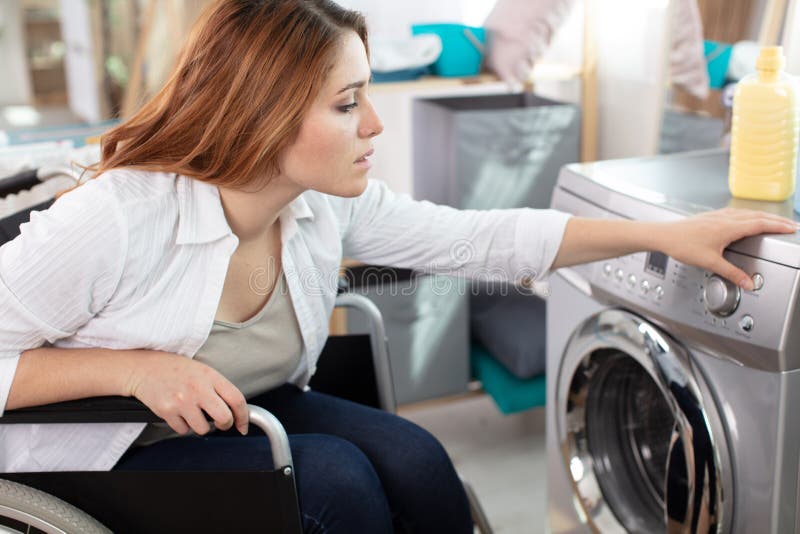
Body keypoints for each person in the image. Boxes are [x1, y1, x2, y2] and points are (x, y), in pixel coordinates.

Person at [0, 1, 795, 532]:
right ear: (263, 114)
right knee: (336, 483)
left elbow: (480, 239)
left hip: (249, 407)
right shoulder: (117, 218)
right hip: (112, 442)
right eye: (348, 104)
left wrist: (665, 236)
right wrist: (135, 371)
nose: (374, 125)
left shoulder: (322, 205)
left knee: (415, 458)